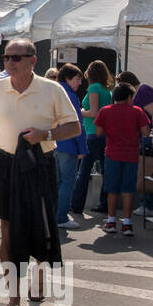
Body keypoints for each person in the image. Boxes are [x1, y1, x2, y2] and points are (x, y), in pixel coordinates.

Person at [0, 38, 79, 306]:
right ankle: (13, 298)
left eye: (16, 57)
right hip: (6, 162)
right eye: (6, 57)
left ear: (33, 60)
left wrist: (45, 134)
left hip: (40, 163)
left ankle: (38, 277)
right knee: (7, 229)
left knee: (41, 223)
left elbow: (73, 127)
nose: (9, 63)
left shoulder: (52, 89)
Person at [93, 82, 151, 236]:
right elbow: (146, 132)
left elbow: (98, 132)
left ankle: (111, 221)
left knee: (112, 189)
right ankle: (127, 223)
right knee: (128, 189)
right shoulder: (137, 111)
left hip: (112, 154)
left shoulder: (105, 111)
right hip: (131, 155)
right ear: (130, 97)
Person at [117, 70, 153, 217]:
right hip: (147, 136)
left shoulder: (144, 90)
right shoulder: (140, 92)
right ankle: (149, 204)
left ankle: (151, 205)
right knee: (148, 169)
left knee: (151, 168)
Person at [70, 60, 114, 215]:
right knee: (105, 171)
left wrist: (80, 111)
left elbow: (94, 113)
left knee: (83, 171)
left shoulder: (94, 88)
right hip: (104, 134)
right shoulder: (107, 90)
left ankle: (76, 204)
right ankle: (105, 204)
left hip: (93, 132)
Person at [53, 64, 88, 229]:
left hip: (52, 143)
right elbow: (77, 124)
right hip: (68, 145)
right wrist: (82, 149)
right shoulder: (70, 95)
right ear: (68, 78)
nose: (79, 83)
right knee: (67, 183)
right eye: (77, 79)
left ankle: (55, 215)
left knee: (56, 182)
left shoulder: (54, 91)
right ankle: (61, 217)